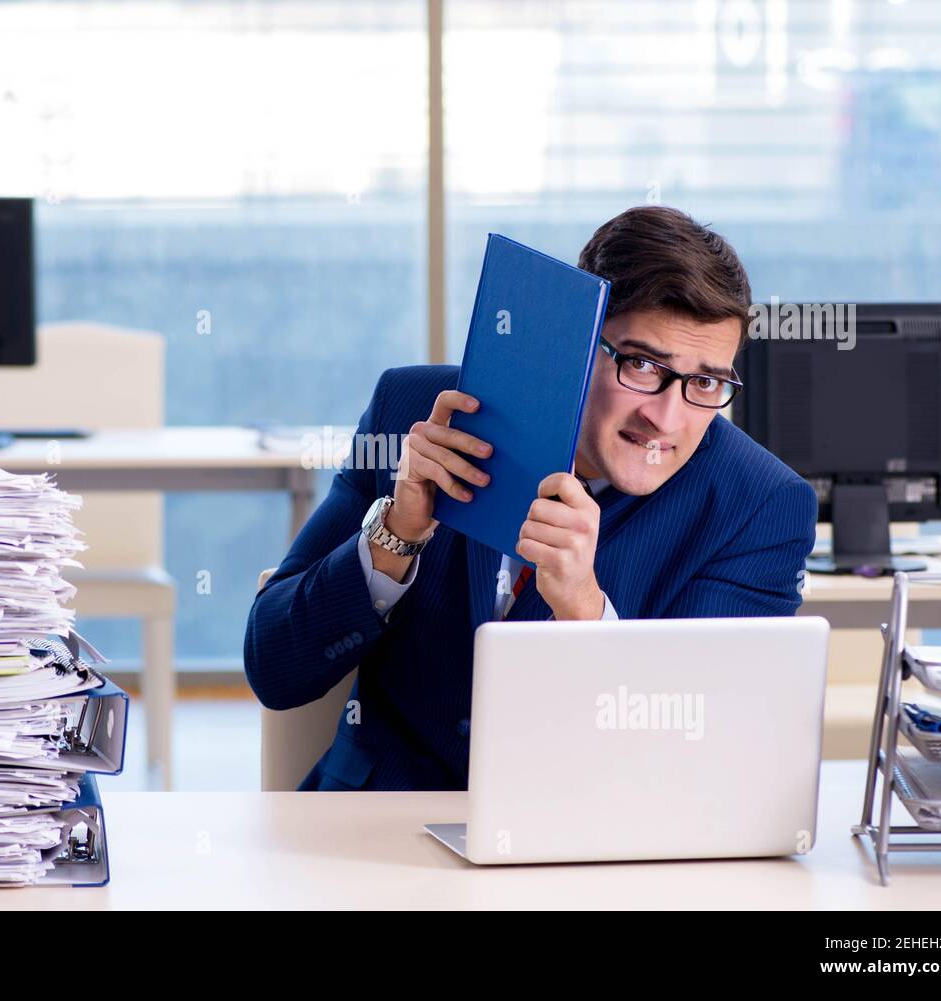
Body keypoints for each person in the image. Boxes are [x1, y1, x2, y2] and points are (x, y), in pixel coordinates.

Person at [244, 205, 816, 791]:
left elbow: (706, 758)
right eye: (643, 365)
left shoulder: (759, 505)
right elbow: (274, 669)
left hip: (588, 850)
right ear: (576, 343)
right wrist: (395, 536)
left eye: (706, 381)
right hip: (371, 832)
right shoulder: (417, 411)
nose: (665, 418)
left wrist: (588, 616)